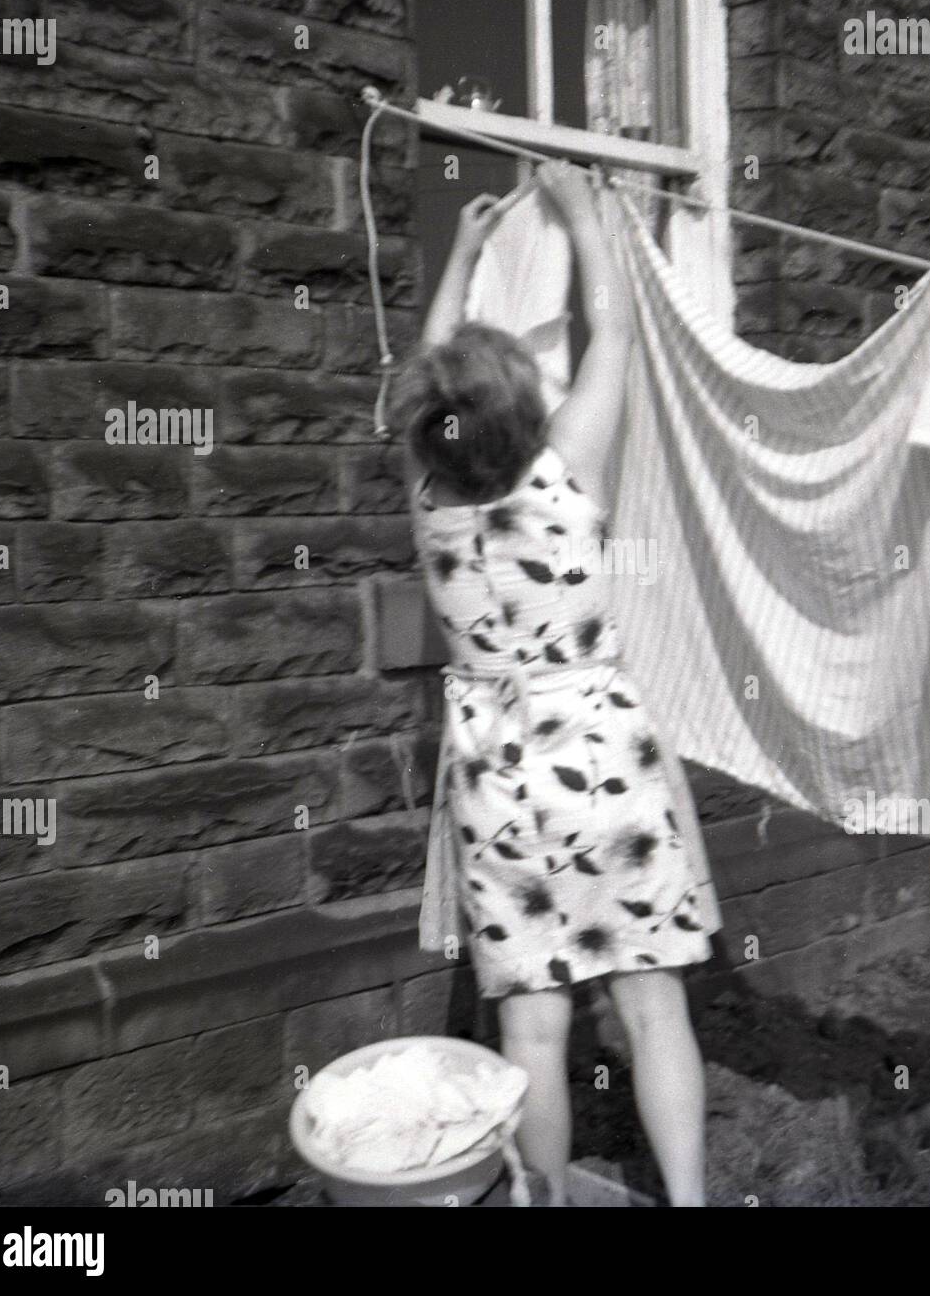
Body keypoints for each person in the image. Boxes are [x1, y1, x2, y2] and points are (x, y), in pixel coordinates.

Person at [391, 162, 715, 1206]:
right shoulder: (570, 468)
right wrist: (583, 218)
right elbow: (614, 331)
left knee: (534, 1022)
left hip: (494, 769)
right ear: (525, 406)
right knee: (652, 997)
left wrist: (465, 256)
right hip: (601, 753)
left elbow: (419, 378)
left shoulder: (428, 494)